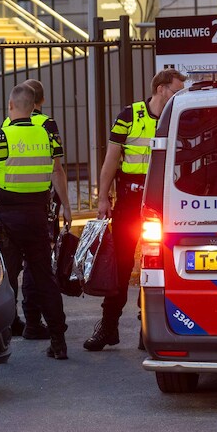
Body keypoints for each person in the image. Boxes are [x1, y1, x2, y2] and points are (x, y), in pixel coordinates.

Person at [85, 68, 185, 352]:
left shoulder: (179, 118)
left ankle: (148, 329)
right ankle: (107, 327)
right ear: (161, 88)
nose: (179, 96)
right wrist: (103, 198)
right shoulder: (130, 115)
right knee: (120, 266)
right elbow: (111, 160)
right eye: (176, 90)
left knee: (160, 266)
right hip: (130, 202)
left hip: (163, 203)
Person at [0, 84, 69, 359]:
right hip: (37, 216)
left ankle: (2, 340)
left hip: (7, 218)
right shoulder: (47, 135)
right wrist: (66, 206)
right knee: (45, 278)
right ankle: (58, 340)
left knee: (5, 280)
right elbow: (57, 168)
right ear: (34, 107)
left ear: (10, 106)